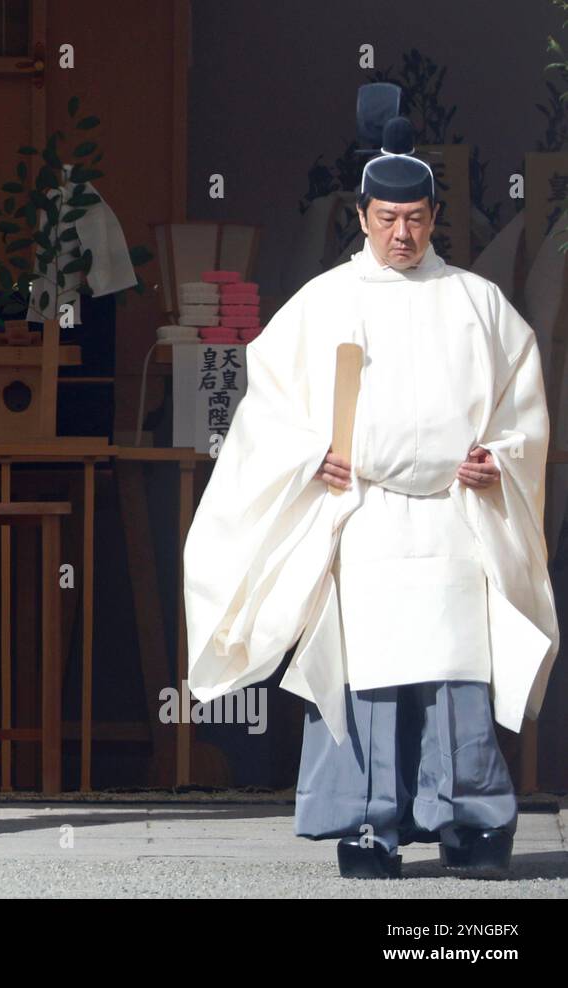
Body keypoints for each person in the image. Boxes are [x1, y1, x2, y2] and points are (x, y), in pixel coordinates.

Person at [183, 84, 559, 879]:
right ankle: (367, 827)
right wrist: (304, 454)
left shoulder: (479, 304)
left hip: (455, 515)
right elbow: (268, 410)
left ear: (432, 217)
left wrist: (499, 455)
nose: (402, 234)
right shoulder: (323, 304)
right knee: (368, 679)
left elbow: (522, 406)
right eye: (387, 220)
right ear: (361, 216)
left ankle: (472, 825)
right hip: (368, 514)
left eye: (416, 219)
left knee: (458, 676)